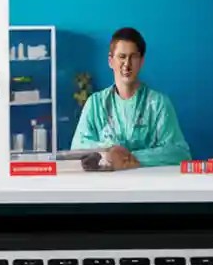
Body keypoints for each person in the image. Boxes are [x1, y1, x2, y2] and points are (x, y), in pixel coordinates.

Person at [70, 27, 191, 170]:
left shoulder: (158, 104)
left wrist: (132, 158)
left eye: (133, 57)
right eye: (121, 56)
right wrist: (109, 152)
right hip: (105, 187)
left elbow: (179, 153)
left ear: (141, 61)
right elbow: (77, 149)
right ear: (110, 61)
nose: (127, 64)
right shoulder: (95, 104)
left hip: (149, 187)